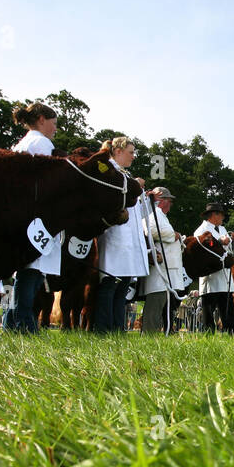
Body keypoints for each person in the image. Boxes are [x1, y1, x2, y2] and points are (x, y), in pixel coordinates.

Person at [5, 102, 62, 333]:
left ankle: (11, 323)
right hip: (36, 216)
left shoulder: (22, 143)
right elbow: (45, 182)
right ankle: (24, 324)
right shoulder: (41, 142)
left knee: (30, 273)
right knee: (31, 272)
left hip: (22, 214)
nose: (55, 129)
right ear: (41, 119)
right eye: (54, 124)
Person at [94, 137, 154, 333]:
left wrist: (146, 198)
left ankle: (118, 330)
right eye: (131, 151)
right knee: (109, 285)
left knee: (122, 290)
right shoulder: (108, 172)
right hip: (115, 240)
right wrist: (133, 185)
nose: (133, 156)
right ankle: (104, 330)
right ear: (118, 151)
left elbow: (138, 213)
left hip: (129, 243)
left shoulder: (124, 175)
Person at [142, 186, 187, 333]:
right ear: (161, 200)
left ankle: (153, 334)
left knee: (161, 303)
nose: (171, 204)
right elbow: (150, 230)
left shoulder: (161, 215)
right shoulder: (153, 212)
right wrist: (173, 235)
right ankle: (149, 335)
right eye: (169, 200)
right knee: (155, 303)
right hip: (160, 268)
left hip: (167, 268)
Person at [195, 202, 234, 333]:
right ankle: (208, 331)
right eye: (221, 215)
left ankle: (230, 329)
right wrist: (220, 242)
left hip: (224, 273)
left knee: (227, 305)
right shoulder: (201, 230)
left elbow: (230, 249)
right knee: (209, 306)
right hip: (211, 274)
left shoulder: (223, 229)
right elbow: (201, 248)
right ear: (214, 215)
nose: (223, 218)